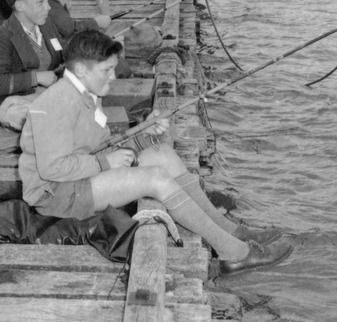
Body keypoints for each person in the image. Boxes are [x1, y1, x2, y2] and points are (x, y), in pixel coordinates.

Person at [19, 29, 293, 273]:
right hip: (57, 193)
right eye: (107, 70)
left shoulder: (86, 93)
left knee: (161, 154)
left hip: (79, 177)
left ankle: (231, 231)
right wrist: (105, 163)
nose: (114, 77)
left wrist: (142, 134)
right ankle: (234, 253)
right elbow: (52, 168)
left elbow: (97, 145)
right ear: (81, 69)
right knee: (156, 178)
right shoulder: (56, 102)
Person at [0, 0, 64, 131]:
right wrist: (36, 77)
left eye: (48, 1)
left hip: (47, 94)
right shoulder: (0, 37)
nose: (48, 8)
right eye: (40, 2)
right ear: (20, 5)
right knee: (32, 117)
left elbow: (61, 53)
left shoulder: (46, 25)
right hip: (15, 101)